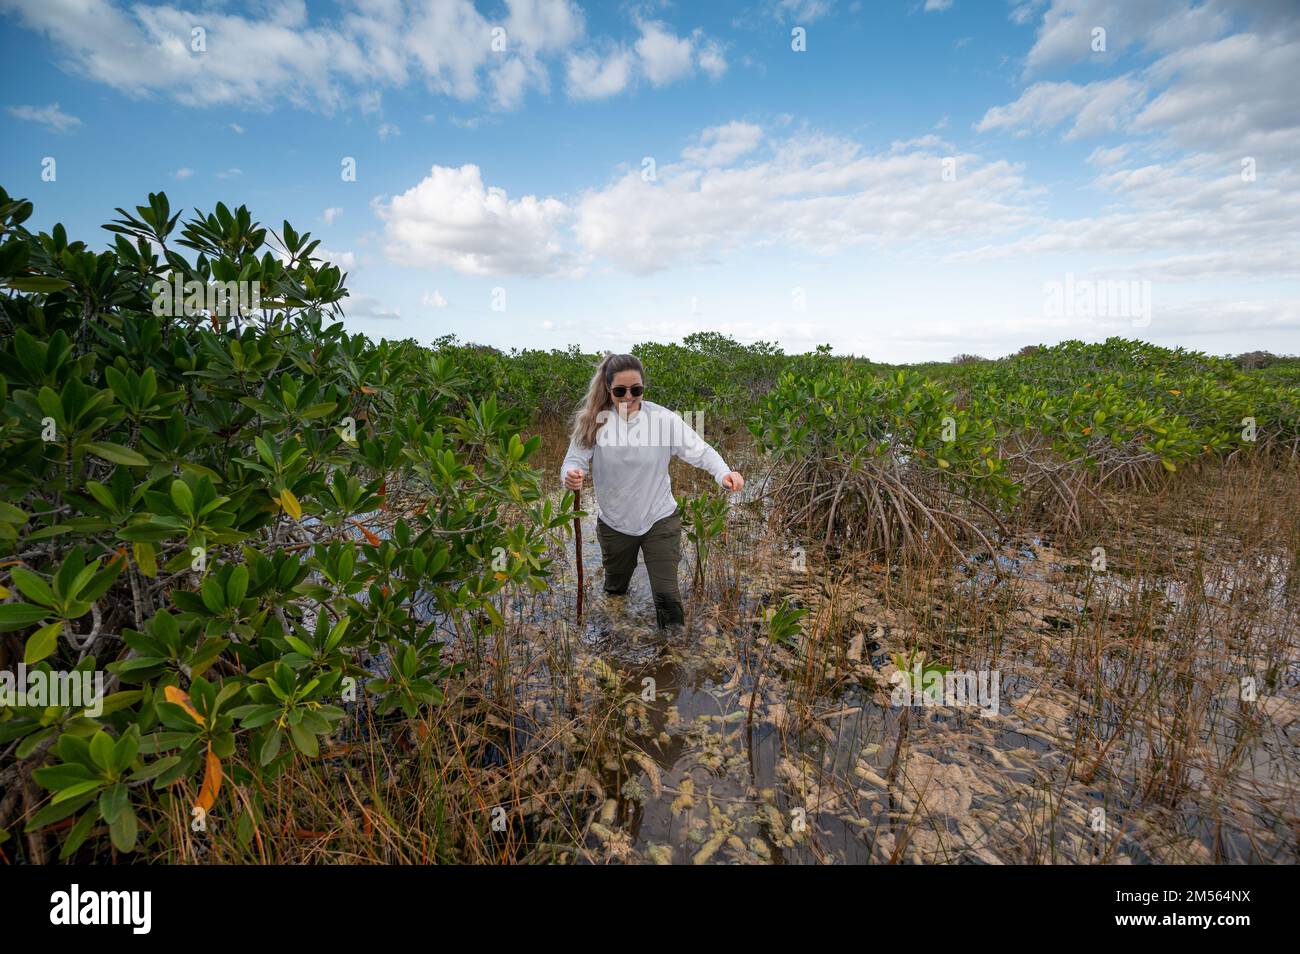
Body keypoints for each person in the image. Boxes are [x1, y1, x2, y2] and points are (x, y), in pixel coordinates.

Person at [560, 353, 744, 628]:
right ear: (608, 389)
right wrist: (571, 476)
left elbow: (700, 451)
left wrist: (723, 472)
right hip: (615, 523)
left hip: (660, 518)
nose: (628, 397)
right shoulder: (593, 422)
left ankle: (671, 658)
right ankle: (616, 634)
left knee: (668, 599)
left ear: (644, 387)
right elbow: (574, 460)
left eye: (636, 390)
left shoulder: (663, 419)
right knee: (615, 589)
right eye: (620, 391)